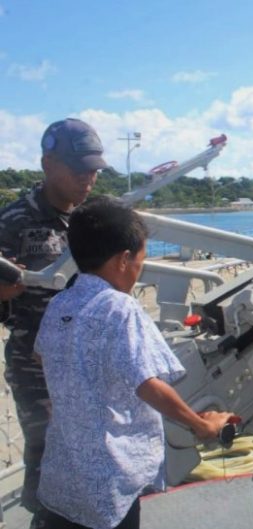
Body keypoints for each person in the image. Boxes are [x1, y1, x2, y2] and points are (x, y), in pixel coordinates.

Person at [34, 196, 232, 529]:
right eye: (141, 259)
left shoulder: (60, 303)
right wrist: (202, 426)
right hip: (108, 484)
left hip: (62, 477)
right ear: (124, 259)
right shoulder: (119, 307)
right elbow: (148, 384)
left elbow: (42, 355)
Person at [0, 118, 106, 521]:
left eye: (93, 170)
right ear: (48, 164)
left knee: (89, 457)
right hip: (36, 368)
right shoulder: (12, 222)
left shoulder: (93, 218)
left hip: (88, 363)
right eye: (78, 169)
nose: (88, 178)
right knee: (48, 460)